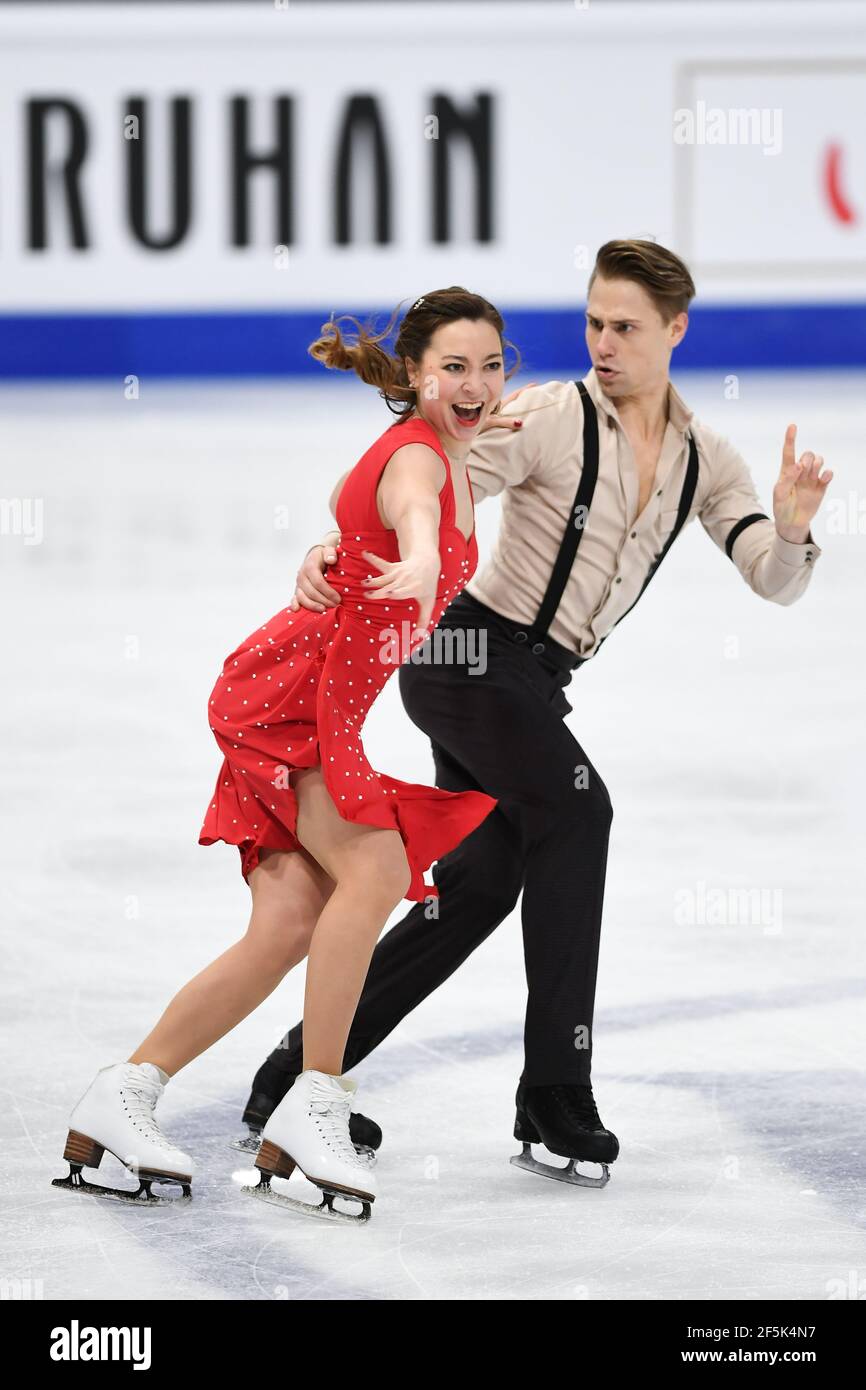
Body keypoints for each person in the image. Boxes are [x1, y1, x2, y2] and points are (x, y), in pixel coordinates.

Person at [244, 239, 832, 1190]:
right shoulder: (554, 417)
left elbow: (770, 575)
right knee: (578, 809)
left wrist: (796, 530)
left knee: (479, 884)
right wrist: (332, 545)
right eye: (595, 322)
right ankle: (556, 1092)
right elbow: (428, 479)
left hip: (530, 681)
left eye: (627, 328)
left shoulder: (704, 462)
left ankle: (294, 1076)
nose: (604, 342)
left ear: (676, 331)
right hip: (464, 656)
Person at [53, 286, 518, 1222]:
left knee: (288, 924)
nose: (474, 384)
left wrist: (343, 551)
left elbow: (372, 522)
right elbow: (411, 511)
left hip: (311, 696)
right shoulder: (424, 463)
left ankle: (122, 1098)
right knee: (378, 862)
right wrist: (422, 558)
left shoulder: (458, 454)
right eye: (454, 367)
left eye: (491, 364)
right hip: (294, 702)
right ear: (418, 375)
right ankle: (314, 1103)